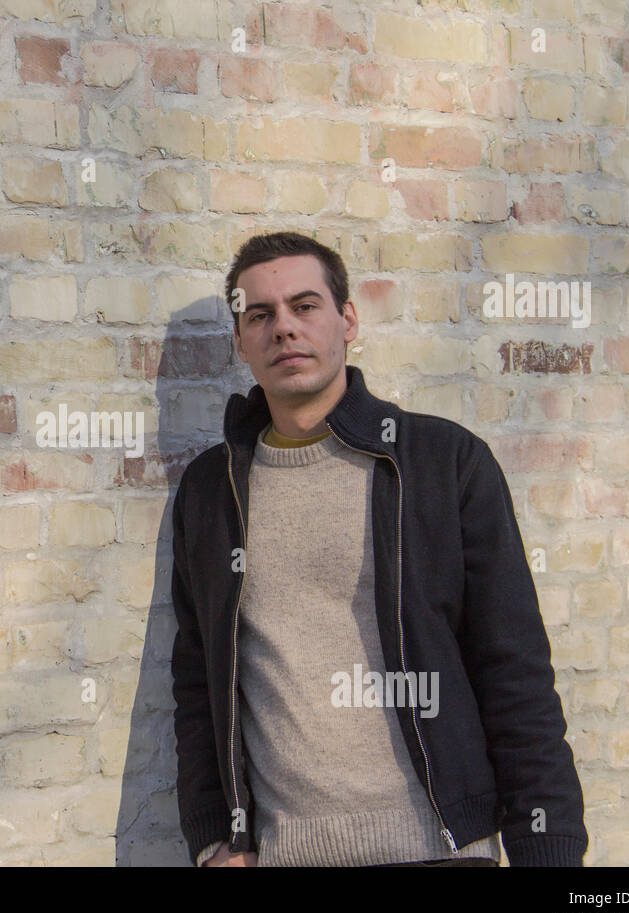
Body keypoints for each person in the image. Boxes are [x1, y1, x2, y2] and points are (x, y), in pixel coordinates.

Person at [169, 231, 587, 867]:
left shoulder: (444, 463)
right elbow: (199, 682)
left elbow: (516, 673)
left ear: (347, 320)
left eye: (305, 306)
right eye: (260, 315)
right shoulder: (212, 489)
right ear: (240, 341)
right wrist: (215, 843)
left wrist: (549, 853)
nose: (284, 328)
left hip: (441, 851)